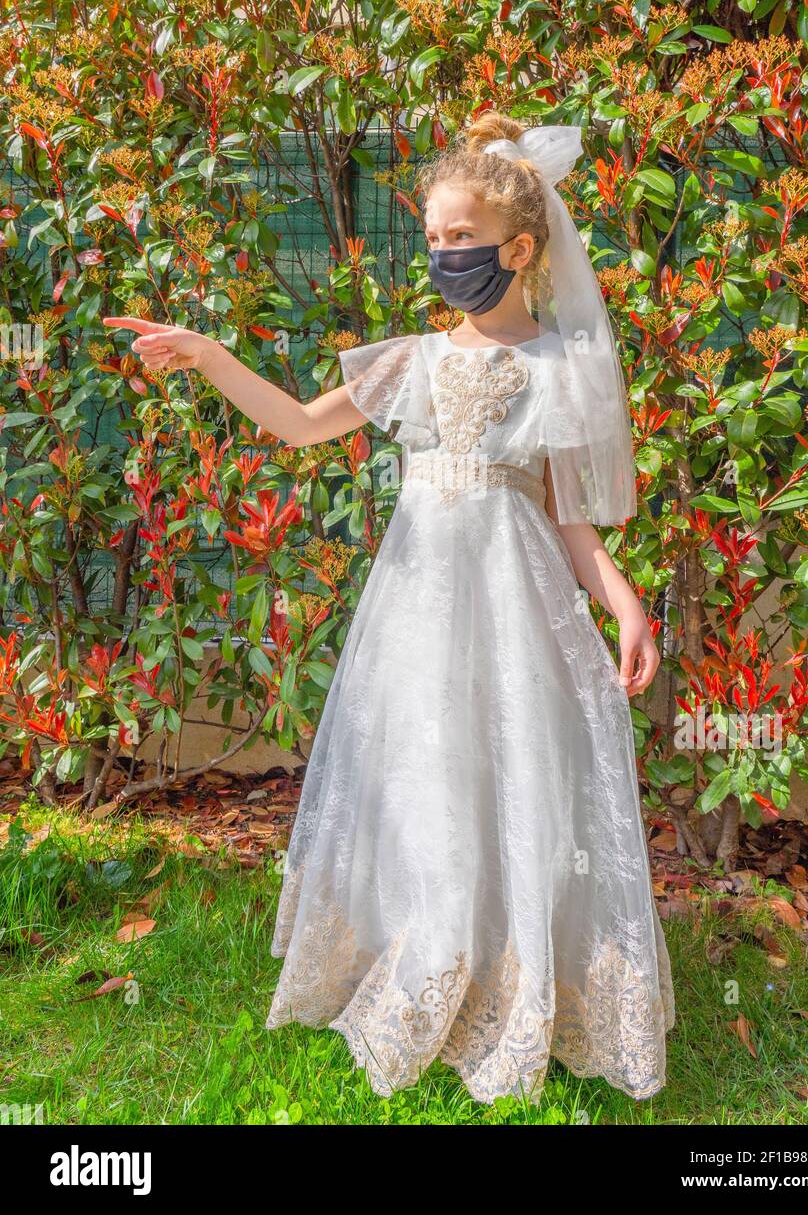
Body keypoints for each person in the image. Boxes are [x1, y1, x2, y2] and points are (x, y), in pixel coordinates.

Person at [104, 111, 675, 1105]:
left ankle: (511, 966)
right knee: (422, 773)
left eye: (461, 236)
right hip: (415, 606)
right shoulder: (408, 359)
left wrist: (626, 606)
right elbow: (292, 425)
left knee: (510, 774)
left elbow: (575, 522)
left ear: (519, 247)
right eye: (434, 236)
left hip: (512, 607)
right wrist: (202, 352)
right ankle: (432, 942)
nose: (442, 252)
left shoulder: (560, 369)